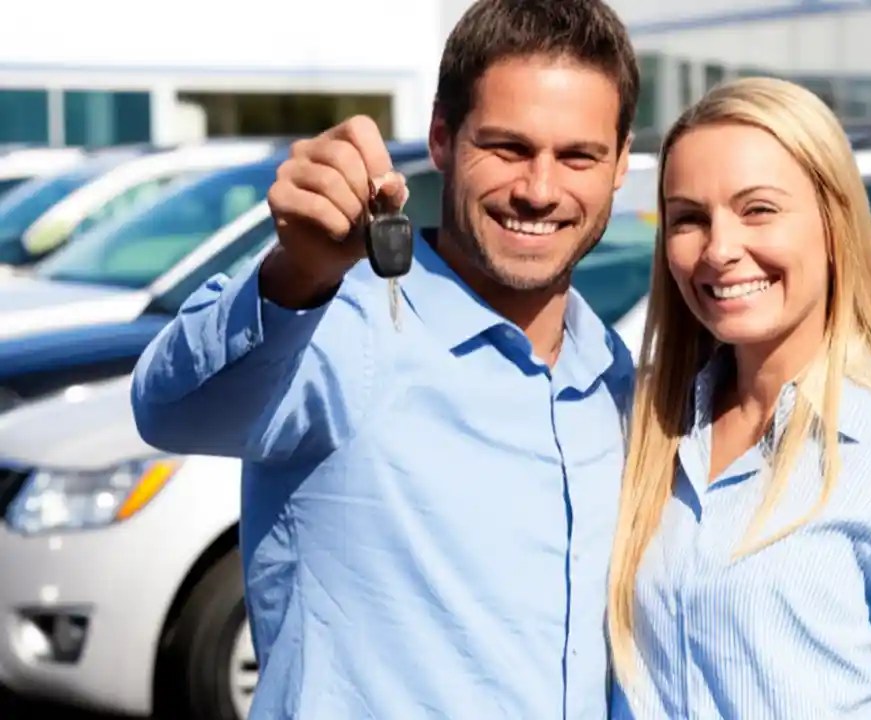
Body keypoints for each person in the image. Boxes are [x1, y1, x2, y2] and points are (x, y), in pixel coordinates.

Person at [130, 1, 639, 718]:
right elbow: (167, 407)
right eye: (507, 147)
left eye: (577, 156)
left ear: (620, 164)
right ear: (441, 138)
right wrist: (294, 272)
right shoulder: (342, 322)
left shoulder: (616, 377)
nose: (540, 189)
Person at [605, 77, 871, 719]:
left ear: (834, 224)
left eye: (758, 210)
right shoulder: (647, 429)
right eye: (689, 218)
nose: (719, 250)